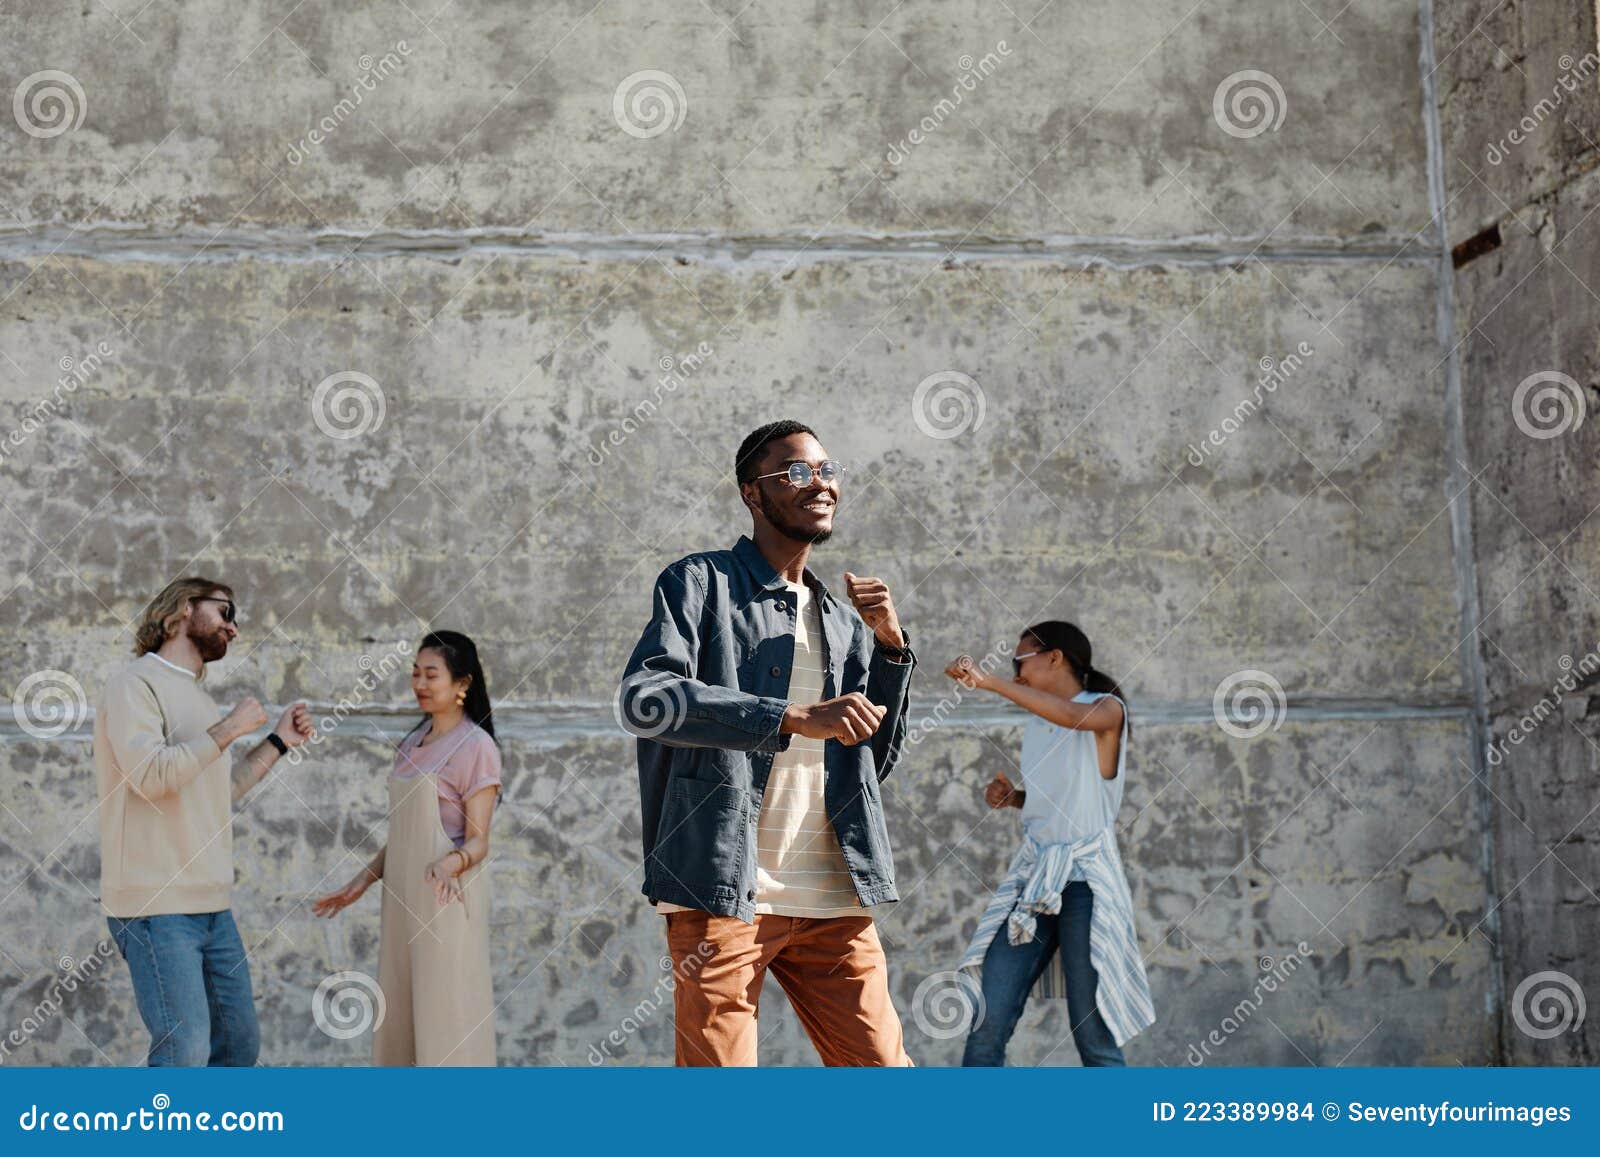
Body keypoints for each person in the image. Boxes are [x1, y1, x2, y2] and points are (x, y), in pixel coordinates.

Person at [618, 419, 917, 1066]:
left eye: (828, 470)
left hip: (834, 897)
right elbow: (646, 697)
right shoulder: (699, 584)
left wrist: (891, 650)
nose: (822, 484)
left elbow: (871, 762)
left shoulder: (842, 619)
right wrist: (790, 714)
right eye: (798, 472)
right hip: (724, 888)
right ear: (754, 494)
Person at [95, 576, 315, 1066]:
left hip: (213, 905)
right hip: (157, 905)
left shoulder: (198, 698)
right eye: (226, 612)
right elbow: (150, 776)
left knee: (237, 1048)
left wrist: (277, 743)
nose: (234, 628)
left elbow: (218, 791)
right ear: (182, 609)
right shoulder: (135, 685)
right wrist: (230, 727)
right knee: (184, 1051)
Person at [946, 620, 1154, 1066]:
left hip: (1086, 886)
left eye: (1019, 662)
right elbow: (1062, 799)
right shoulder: (1038, 724)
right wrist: (1016, 798)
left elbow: (1074, 718)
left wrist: (990, 681)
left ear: (1054, 657)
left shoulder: (1106, 709)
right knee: (987, 1021)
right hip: (1036, 880)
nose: (1017, 674)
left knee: (1093, 1035)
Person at [313, 631, 503, 1066]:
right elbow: (402, 835)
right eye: (415, 673)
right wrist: (360, 883)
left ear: (462, 684)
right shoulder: (411, 744)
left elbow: (480, 839)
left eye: (430, 674)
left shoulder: (477, 748)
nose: (419, 683)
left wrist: (448, 864)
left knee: (446, 1019)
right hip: (401, 899)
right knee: (400, 1016)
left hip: (442, 899)